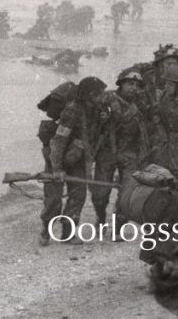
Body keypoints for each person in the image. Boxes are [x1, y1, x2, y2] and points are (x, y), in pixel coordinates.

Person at [41, 76, 107, 243]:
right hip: (56, 158)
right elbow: (59, 141)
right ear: (90, 95)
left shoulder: (97, 111)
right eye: (100, 94)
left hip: (76, 160)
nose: (103, 98)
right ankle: (46, 231)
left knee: (78, 196)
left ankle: (68, 234)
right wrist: (56, 169)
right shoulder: (72, 111)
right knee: (54, 200)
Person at [90, 70, 148, 226]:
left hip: (129, 152)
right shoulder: (106, 100)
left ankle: (119, 224)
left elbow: (146, 129)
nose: (133, 88)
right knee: (100, 194)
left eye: (137, 85)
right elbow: (92, 124)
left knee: (128, 191)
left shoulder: (141, 104)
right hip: (107, 151)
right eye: (130, 84)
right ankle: (100, 217)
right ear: (121, 84)